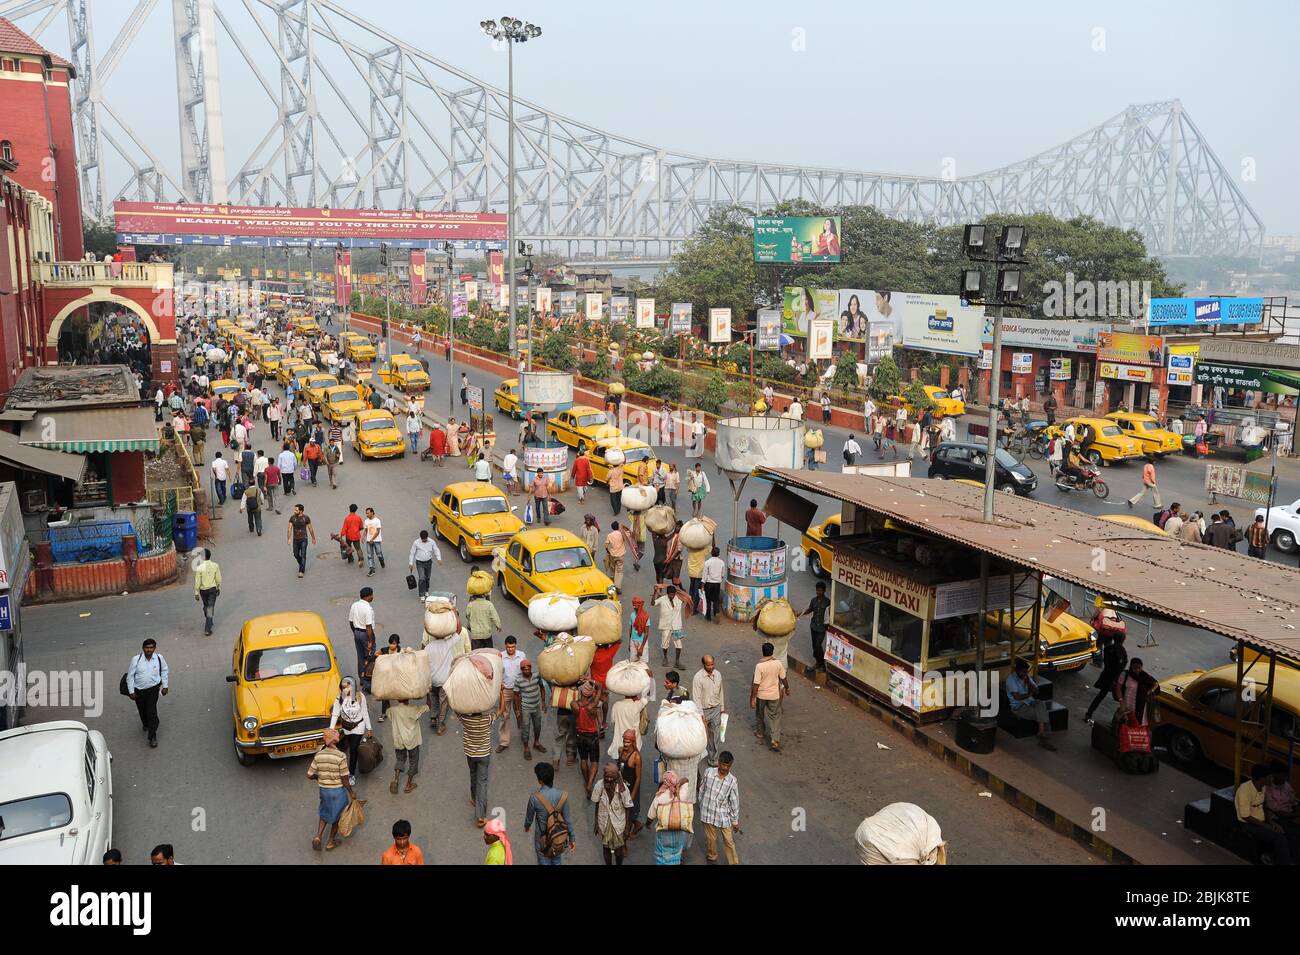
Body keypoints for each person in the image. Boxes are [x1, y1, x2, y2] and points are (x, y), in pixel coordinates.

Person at [308, 728, 355, 852]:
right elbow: (345, 779)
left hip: (324, 791)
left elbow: (309, 774)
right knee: (337, 817)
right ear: (335, 741)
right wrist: (351, 792)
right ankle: (330, 842)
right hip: (337, 792)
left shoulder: (319, 755)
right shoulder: (341, 756)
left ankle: (318, 837)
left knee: (324, 813)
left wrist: (318, 778)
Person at [1236, 764, 1293, 865]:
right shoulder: (1244, 790)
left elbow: (1263, 806)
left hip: (1261, 821)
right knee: (1278, 837)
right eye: (1270, 777)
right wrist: (1267, 826)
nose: (1272, 778)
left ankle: (1276, 858)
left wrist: (1271, 822)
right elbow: (1246, 816)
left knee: (1289, 830)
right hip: (1248, 824)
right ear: (1262, 778)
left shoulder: (1263, 787)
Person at [525, 761, 575, 864]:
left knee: (543, 860)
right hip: (558, 835)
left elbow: (529, 817)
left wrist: (527, 826)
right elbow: (568, 819)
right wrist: (572, 838)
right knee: (556, 858)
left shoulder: (534, 798)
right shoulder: (563, 796)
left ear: (540, 781)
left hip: (542, 837)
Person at [698, 752, 741, 865]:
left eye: (727, 766)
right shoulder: (708, 772)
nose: (724, 768)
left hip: (723, 815)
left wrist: (735, 821)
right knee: (711, 838)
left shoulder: (732, 781)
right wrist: (702, 805)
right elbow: (701, 790)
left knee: (729, 841)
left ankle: (733, 862)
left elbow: (734, 802)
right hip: (708, 813)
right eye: (723, 765)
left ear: (730, 766)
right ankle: (712, 856)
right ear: (718, 763)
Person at [329, 676, 373, 784]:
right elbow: (335, 714)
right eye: (344, 687)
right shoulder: (340, 698)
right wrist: (331, 729)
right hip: (346, 728)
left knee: (353, 750)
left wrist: (369, 728)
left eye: (348, 686)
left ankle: (351, 774)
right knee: (349, 748)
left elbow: (365, 713)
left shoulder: (360, 696)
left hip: (359, 727)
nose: (346, 689)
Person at [126, 638, 169, 748]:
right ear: (143, 648)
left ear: (154, 648)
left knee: (151, 712)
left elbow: (164, 670)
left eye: (151, 648)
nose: (149, 650)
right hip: (139, 691)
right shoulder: (136, 659)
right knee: (142, 711)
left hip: (153, 690)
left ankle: (152, 735)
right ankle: (145, 724)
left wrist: (165, 686)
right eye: (147, 648)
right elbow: (130, 676)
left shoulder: (159, 658)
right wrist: (131, 691)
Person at [1005, 658, 1056, 750]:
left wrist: (1029, 683)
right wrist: (1029, 694)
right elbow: (1017, 697)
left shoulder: (1027, 677)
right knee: (1043, 714)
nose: (1025, 674)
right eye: (1023, 672)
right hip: (1019, 706)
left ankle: (1041, 732)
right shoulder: (1011, 680)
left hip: (1030, 702)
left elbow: (1036, 691)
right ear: (1017, 670)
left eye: (1026, 672)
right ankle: (1043, 737)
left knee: (1040, 704)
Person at [592, 762, 635, 865]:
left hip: (619, 824)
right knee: (606, 848)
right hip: (604, 822)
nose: (609, 779)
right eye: (607, 777)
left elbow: (628, 808)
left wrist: (627, 828)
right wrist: (596, 823)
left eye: (611, 777)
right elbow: (597, 804)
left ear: (616, 777)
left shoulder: (622, 789)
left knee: (618, 851)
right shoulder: (599, 785)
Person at [460, 705, 496, 828]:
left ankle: (474, 798)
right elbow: (502, 710)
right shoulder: (487, 719)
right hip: (484, 754)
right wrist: (502, 693)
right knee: (482, 782)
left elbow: (455, 709)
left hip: (470, 753)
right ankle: (480, 816)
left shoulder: (465, 719)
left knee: (473, 774)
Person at [386, 694, 429, 795]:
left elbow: (387, 709)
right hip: (412, 740)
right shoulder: (414, 709)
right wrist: (428, 694)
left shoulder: (393, 710)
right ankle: (408, 784)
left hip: (399, 740)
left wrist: (386, 698)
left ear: (397, 699)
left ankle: (396, 780)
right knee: (413, 761)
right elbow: (428, 707)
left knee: (400, 759)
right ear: (408, 698)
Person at [750, 642, 788, 753]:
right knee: (775, 716)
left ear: (763, 652)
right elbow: (783, 678)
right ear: (772, 651)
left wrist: (753, 697)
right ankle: (775, 740)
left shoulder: (759, 666)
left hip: (761, 695)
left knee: (760, 714)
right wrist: (787, 688)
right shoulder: (778, 663)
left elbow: (756, 683)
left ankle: (760, 733)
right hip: (774, 695)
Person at [649, 771, 692, 865]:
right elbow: (686, 780)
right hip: (679, 832)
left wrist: (647, 824)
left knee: (662, 855)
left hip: (663, 833)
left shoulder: (659, 797)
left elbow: (650, 816)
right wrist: (678, 784)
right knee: (676, 853)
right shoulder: (682, 794)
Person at [1084, 629, 1126, 724]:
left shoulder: (1108, 649)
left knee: (1100, 696)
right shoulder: (1122, 651)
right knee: (1122, 699)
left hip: (1106, 676)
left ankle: (1089, 714)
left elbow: (1106, 662)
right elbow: (1122, 664)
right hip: (1115, 679)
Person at [691, 655, 725, 766]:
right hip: (704, 710)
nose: (711, 667)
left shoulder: (718, 675)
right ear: (703, 664)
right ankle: (696, 755)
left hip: (716, 709)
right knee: (703, 736)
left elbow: (721, 692)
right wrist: (701, 715)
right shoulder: (698, 677)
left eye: (712, 664)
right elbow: (696, 697)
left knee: (715, 735)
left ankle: (713, 758)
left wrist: (722, 708)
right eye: (708, 665)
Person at [497, 636, 527, 752]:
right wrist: (500, 684)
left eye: (513, 647)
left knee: (521, 713)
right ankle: (504, 742)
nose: (511, 649)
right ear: (505, 646)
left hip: (519, 690)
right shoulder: (500, 656)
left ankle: (524, 735)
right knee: (504, 716)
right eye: (509, 647)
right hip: (506, 690)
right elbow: (498, 672)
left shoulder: (522, 655)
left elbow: (526, 670)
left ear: (516, 646)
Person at [574, 680, 604, 793]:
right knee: (594, 761)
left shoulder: (574, 704)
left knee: (583, 759)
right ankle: (590, 784)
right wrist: (590, 680)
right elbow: (600, 687)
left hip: (579, 735)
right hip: (591, 736)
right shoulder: (592, 706)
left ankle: (587, 782)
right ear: (591, 694)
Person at [1112, 656, 1158, 726]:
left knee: (1137, 726)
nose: (1137, 670)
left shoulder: (1144, 676)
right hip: (1127, 705)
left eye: (1139, 668)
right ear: (1130, 667)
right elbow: (1118, 688)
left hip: (1140, 707)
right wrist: (1121, 701)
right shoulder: (1125, 674)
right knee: (1124, 724)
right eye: (1134, 667)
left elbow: (1156, 684)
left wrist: (1150, 691)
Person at [516, 659, 547, 759]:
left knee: (537, 726)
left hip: (536, 706)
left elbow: (542, 688)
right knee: (526, 728)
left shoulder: (537, 676)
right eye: (524, 669)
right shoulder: (518, 680)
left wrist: (543, 702)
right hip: (525, 708)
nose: (526, 671)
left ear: (531, 668)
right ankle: (526, 748)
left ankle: (536, 743)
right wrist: (517, 710)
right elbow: (516, 695)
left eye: (528, 669)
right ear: (521, 670)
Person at [348, 587, 377, 692]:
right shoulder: (368, 609)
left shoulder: (354, 605)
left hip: (357, 632)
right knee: (369, 659)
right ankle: (367, 683)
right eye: (372, 595)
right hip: (366, 635)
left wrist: (355, 632)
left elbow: (351, 622)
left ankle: (361, 678)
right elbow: (368, 627)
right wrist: (370, 641)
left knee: (360, 657)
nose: (373, 597)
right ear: (368, 596)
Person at [655, 583, 687, 669]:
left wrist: (679, 589)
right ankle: (665, 658)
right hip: (666, 625)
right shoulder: (662, 599)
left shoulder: (679, 599)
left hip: (676, 626)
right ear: (667, 594)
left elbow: (687, 596)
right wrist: (655, 592)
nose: (672, 596)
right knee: (665, 643)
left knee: (679, 644)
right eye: (670, 594)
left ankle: (677, 661)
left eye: (673, 594)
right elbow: (653, 603)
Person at [802, 581, 831, 670]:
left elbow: (830, 615)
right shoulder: (813, 600)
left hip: (822, 628)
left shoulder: (828, 602)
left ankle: (821, 664)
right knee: (814, 646)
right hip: (813, 626)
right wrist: (800, 613)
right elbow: (810, 609)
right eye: (817, 590)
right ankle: (817, 662)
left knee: (818, 645)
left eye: (820, 590)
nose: (819, 592)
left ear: (824, 591)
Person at [193, 548, 222, 636]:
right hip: (212, 589)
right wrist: (218, 587)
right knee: (209, 608)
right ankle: (207, 628)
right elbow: (218, 579)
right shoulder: (215, 565)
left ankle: (208, 622)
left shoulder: (199, 568)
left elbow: (197, 581)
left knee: (207, 607)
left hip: (203, 591)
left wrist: (196, 593)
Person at [287, 503, 316, 578]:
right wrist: (289, 538)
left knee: (303, 555)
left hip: (304, 539)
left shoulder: (306, 518)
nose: (294, 511)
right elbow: (289, 528)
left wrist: (313, 538)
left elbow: (310, 528)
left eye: (296, 510)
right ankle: (301, 563)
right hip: (295, 539)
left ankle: (301, 571)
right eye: (294, 509)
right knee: (296, 554)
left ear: (301, 511)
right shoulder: (292, 518)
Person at [701, 546, 725, 622]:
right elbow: (722, 575)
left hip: (708, 584)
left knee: (708, 600)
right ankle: (716, 613)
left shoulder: (707, 562)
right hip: (717, 584)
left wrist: (702, 586)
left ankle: (708, 616)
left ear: (711, 553)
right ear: (718, 554)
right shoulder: (722, 563)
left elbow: (704, 576)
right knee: (716, 600)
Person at [605, 520, 627, 593]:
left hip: (613, 555)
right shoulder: (622, 534)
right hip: (621, 555)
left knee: (612, 569)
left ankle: (612, 584)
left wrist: (608, 551)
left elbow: (606, 544)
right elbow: (629, 535)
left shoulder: (609, 535)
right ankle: (618, 586)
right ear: (618, 527)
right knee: (619, 571)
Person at [363, 506, 385, 576]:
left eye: (368, 513)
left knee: (379, 553)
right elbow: (366, 530)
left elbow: (378, 531)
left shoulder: (377, 520)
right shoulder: (366, 521)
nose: (367, 515)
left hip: (376, 540)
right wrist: (363, 537)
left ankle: (381, 561)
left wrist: (372, 539)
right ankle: (372, 569)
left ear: (372, 513)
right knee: (370, 555)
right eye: (366, 513)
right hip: (368, 541)